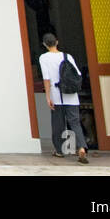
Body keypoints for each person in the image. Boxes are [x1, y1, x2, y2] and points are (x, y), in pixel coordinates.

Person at [39, 33, 88, 164]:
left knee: (58, 123)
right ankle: (81, 147)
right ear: (57, 42)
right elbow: (78, 74)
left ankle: (59, 150)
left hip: (56, 95)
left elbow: (46, 79)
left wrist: (48, 96)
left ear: (44, 44)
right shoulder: (67, 56)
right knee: (75, 122)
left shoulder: (44, 58)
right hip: (71, 95)